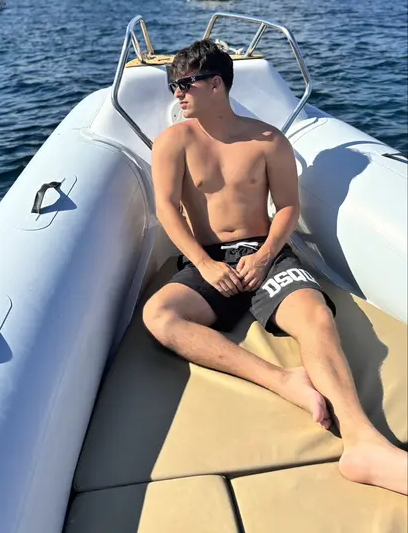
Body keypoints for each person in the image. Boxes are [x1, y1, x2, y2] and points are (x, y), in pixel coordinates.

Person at [143, 39, 408, 496]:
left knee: (316, 318)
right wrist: (205, 264)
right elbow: (167, 209)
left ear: (216, 84)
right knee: (159, 316)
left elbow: (287, 207)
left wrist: (265, 254)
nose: (177, 94)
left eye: (185, 84)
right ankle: (284, 381)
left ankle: (363, 444)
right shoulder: (173, 142)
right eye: (173, 86)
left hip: (265, 252)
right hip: (209, 258)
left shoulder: (268, 140)